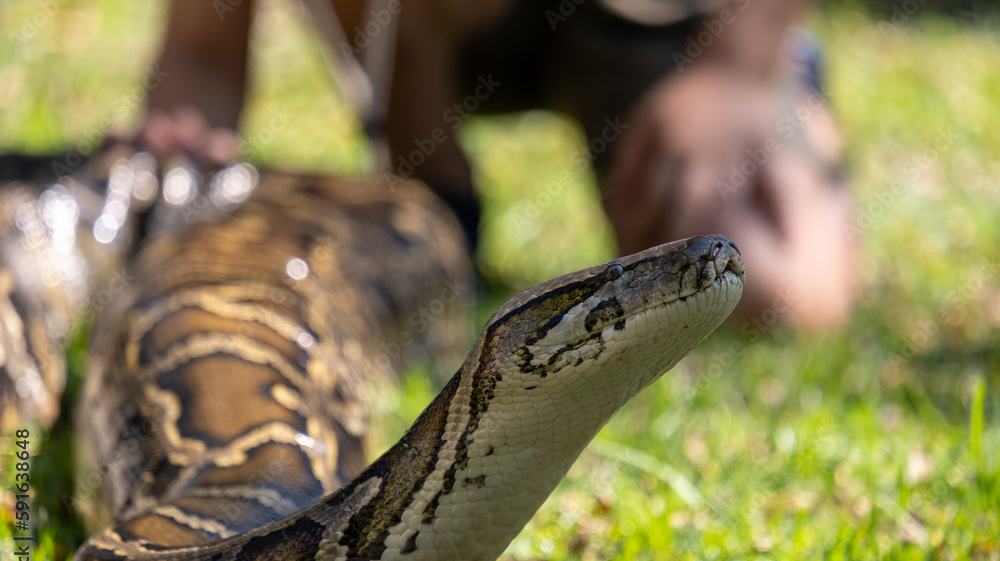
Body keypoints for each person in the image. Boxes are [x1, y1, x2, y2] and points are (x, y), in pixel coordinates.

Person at [137, 0, 855, 330]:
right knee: (427, 286)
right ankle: (439, 217)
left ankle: (778, 82)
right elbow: (201, 55)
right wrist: (176, 156)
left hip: (660, 21)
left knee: (757, 291)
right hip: (442, 26)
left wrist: (732, 70)